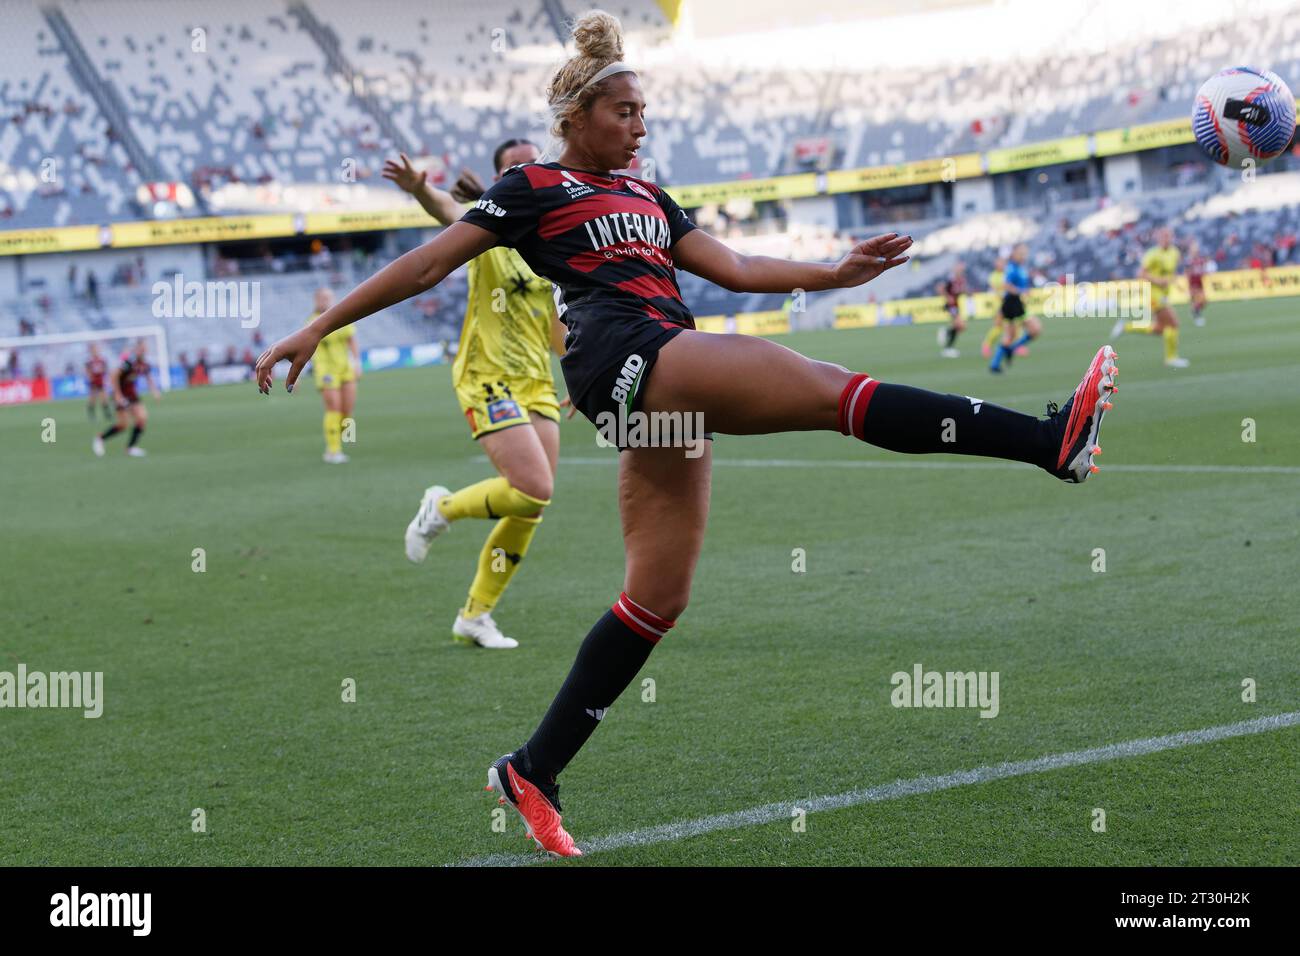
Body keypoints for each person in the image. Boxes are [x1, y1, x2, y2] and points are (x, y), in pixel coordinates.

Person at [253, 10, 1119, 857]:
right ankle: (1052, 441)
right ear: (577, 118)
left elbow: (735, 268)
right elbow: (427, 262)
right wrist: (320, 326)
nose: (639, 126)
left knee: (657, 597)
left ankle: (532, 770)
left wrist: (833, 271)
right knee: (829, 392)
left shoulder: (645, 193)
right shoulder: (533, 190)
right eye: (623, 112)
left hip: (657, 380)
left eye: (642, 112)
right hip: (626, 356)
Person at [383, 141, 568, 650]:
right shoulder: (485, 226)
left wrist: (576, 369)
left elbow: (556, 319)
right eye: (514, 165)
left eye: (533, 161)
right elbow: (445, 209)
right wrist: (421, 187)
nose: (525, 168)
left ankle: (475, 615)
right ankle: (441, 507)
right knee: (532, 487)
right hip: (488, 374)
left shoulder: (552, 240)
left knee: (532, 505)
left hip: (536, 380)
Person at [1110, 226, 1188, 368]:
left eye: (1168, 236)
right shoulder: (1152, 254)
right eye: (1163, 236)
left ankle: (1127, 326)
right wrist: (1158, 280)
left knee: (1160, 328)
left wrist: (1179, 286)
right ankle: (1171, 358)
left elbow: (1171, 274)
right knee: (1173, 323)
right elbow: (1141, 274)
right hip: (1153, 293)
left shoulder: (1174, 253)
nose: (1166, 239)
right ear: (1158, 238)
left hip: (1164, 294)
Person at [306, 287, 360, 463]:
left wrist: (357, 362)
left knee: (347, 410)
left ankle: (348, 439)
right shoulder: (313, 322)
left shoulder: (343, 318)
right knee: (334, 409)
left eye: (329, 297)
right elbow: (305, 348)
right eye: (322, 298)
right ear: (316, 300)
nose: (326, 301)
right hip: (326, 371)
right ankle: (333, 451)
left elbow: (351, 340)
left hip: (345, 367)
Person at [93, 338, 157, 457]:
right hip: (121, 394)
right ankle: (100, 438)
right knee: (123, 425)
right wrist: (117, 395)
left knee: (142, 418)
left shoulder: (144, 363)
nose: (143, 351)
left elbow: (148, 376)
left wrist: (154, 391)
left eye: (144, 348)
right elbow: (114, 375)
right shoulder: (129, 362)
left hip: (132, 395)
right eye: (141, 348)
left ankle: (130, 448)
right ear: (137, 349)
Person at [989, 243, 1040, 373]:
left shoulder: (1019, 267)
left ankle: (1003, 357)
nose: (1024, 255)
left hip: (1017, 302)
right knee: (1015, 334)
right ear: (1014, 253)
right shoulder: (1011, 267)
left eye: (1025, 253)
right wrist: (1021, 291)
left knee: (1029, 331)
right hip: (1011, 303)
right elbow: (1006, 285)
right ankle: (996, 362)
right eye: (1021, 252)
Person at [936, 261, 967, 358]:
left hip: (956, 305)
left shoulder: (961, 280)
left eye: (962, 269)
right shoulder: (951, 279)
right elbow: (940, 288)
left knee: (959, 327)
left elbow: (960, 291)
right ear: (955, 269)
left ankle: (947, 337)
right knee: (961, 325)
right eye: (959, 268)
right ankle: (948, 346)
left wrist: (965, 292)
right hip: (951, 306)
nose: (961, 270)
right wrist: (947, 297)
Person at [980, 256, 1006, 358]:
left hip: (1009, 303)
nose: (1002, 265)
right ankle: (986, 344)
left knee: (1014, 324)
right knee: (999, 326)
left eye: (1003, 263)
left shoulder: (1007, 274)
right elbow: (996, 289)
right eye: (1000, 263)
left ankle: (1015, 346)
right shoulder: (993, 276)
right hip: (999, 304)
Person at [85, 344, 112, 422]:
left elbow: (105, 369)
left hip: (100, 380)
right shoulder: (89, 360)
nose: (95, 351)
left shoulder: (102, 360)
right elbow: (88, 371)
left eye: (96, 350)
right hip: (93, 381)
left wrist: (106, 378)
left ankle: (107, 414)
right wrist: (90, 378)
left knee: (104, 398)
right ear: (91, 351)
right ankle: (91, 414)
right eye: (93, 350)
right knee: (92, 398)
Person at [1185, 238, 1209, 327]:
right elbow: (1187, 272)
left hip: (1200, 283)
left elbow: (1203, 270)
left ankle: (1194, 312)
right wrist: (1189, 285)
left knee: (1204, 301)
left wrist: (1204, 273)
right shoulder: (1189, 260)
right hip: (1193, 283)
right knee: (1197, 301)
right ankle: (1197, 317)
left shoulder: (1200, 260)